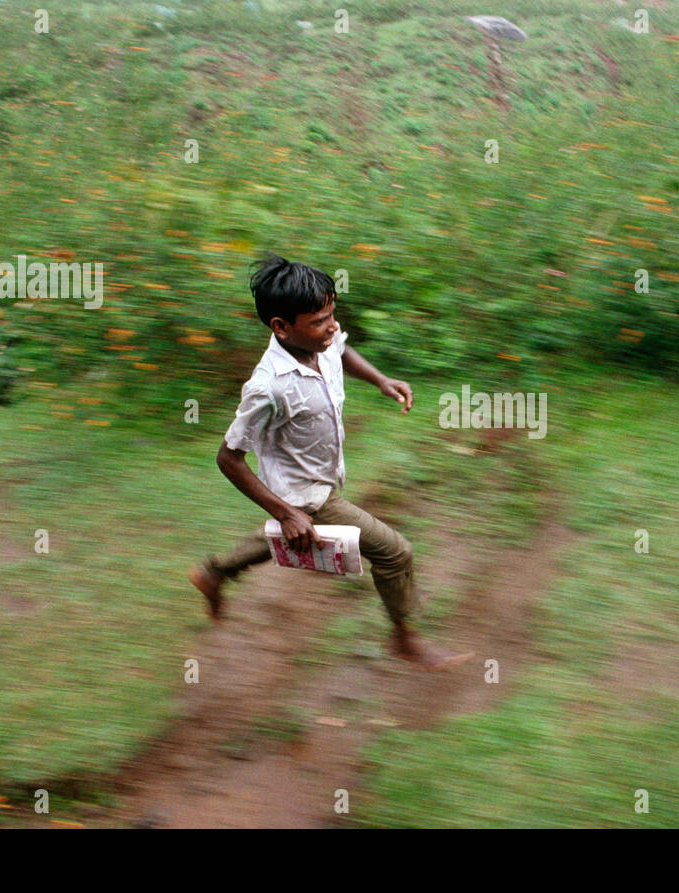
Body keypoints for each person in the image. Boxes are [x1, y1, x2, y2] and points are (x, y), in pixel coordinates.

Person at [189, 255, 473, 672]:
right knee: (395, 553)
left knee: (298, 532)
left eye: (333, 314)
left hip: (317, 481)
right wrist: (285, 511)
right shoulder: (268, 388)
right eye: (320, 320)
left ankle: (213, 573)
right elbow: (228, 458)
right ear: (281, 327)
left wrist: (380, 380)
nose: (333, 326)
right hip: (303, 491)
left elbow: (341, 351)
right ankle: (405, 640)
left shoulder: (319, 343)